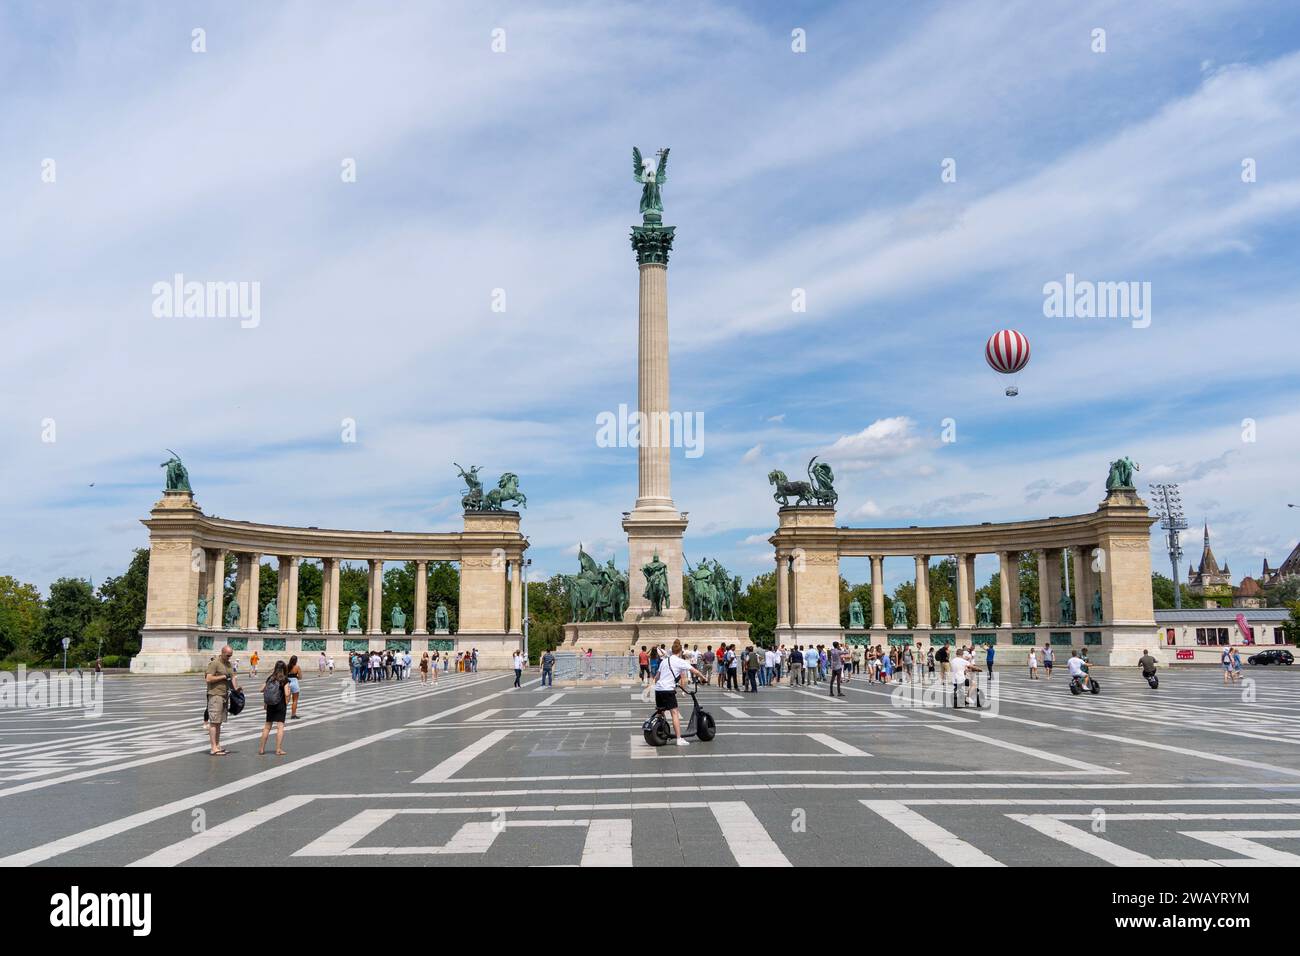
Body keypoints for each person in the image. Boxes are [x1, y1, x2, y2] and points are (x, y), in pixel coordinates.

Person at [654, 639, 706, 746]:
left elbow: (657, 676)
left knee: (661, 711)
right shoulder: (680, 661)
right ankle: (679, 739)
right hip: (668, 689)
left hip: (658, 689)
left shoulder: (664, 661)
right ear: (680, 652)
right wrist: (703, 678)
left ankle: (660, 730)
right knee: (674, 713)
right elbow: (695, 671)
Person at [205, 644, 239, 756]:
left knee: (219, 722)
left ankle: (218, 745)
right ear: (222, 653)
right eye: (228, 655)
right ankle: (213, 748)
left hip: (224, 695)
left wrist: (236, 689)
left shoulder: (228, 664)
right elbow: (208, 678)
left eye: (231, 655)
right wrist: (223, 677)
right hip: (215, 695)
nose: (229, 657)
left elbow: (233, 677)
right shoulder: (214, 663)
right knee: (214, 722)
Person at [258, 660, 289, 756]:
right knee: (280, 727)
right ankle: (278, 749)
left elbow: (261, 689)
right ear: (284, 669)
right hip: (280, 704)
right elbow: (286, 693)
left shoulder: (270, 678)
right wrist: (288, 696)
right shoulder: (284, 679)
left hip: (270, 705)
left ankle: (261, 749)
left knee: (267, 727)